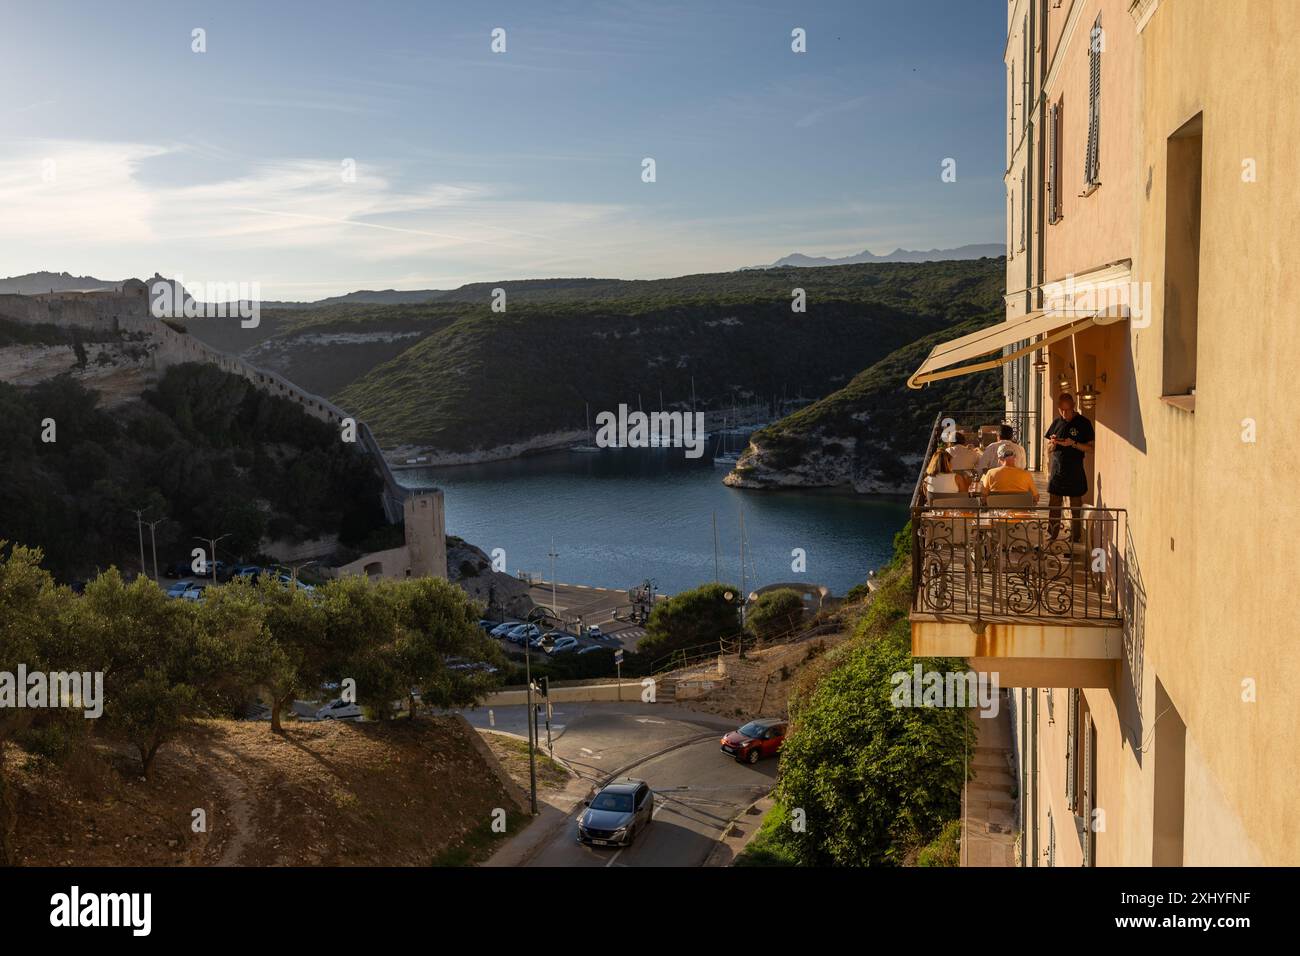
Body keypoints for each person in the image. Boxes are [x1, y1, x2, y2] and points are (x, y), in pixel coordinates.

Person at [1044, 393, 1095, 542]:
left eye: (1068, 410)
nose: (1065, 413)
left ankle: (1075, 537)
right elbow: (1047, 449)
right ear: (1059, 408)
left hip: (1075, 471)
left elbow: (1091, 448)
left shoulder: (1083, 423)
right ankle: (1051, 534)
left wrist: (1073, 444)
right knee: (1054, 505)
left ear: (1073, 406)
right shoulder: (1056, 423)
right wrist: (1052, 444)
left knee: (1075, 507)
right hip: (1057, 471)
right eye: (1062, 410)